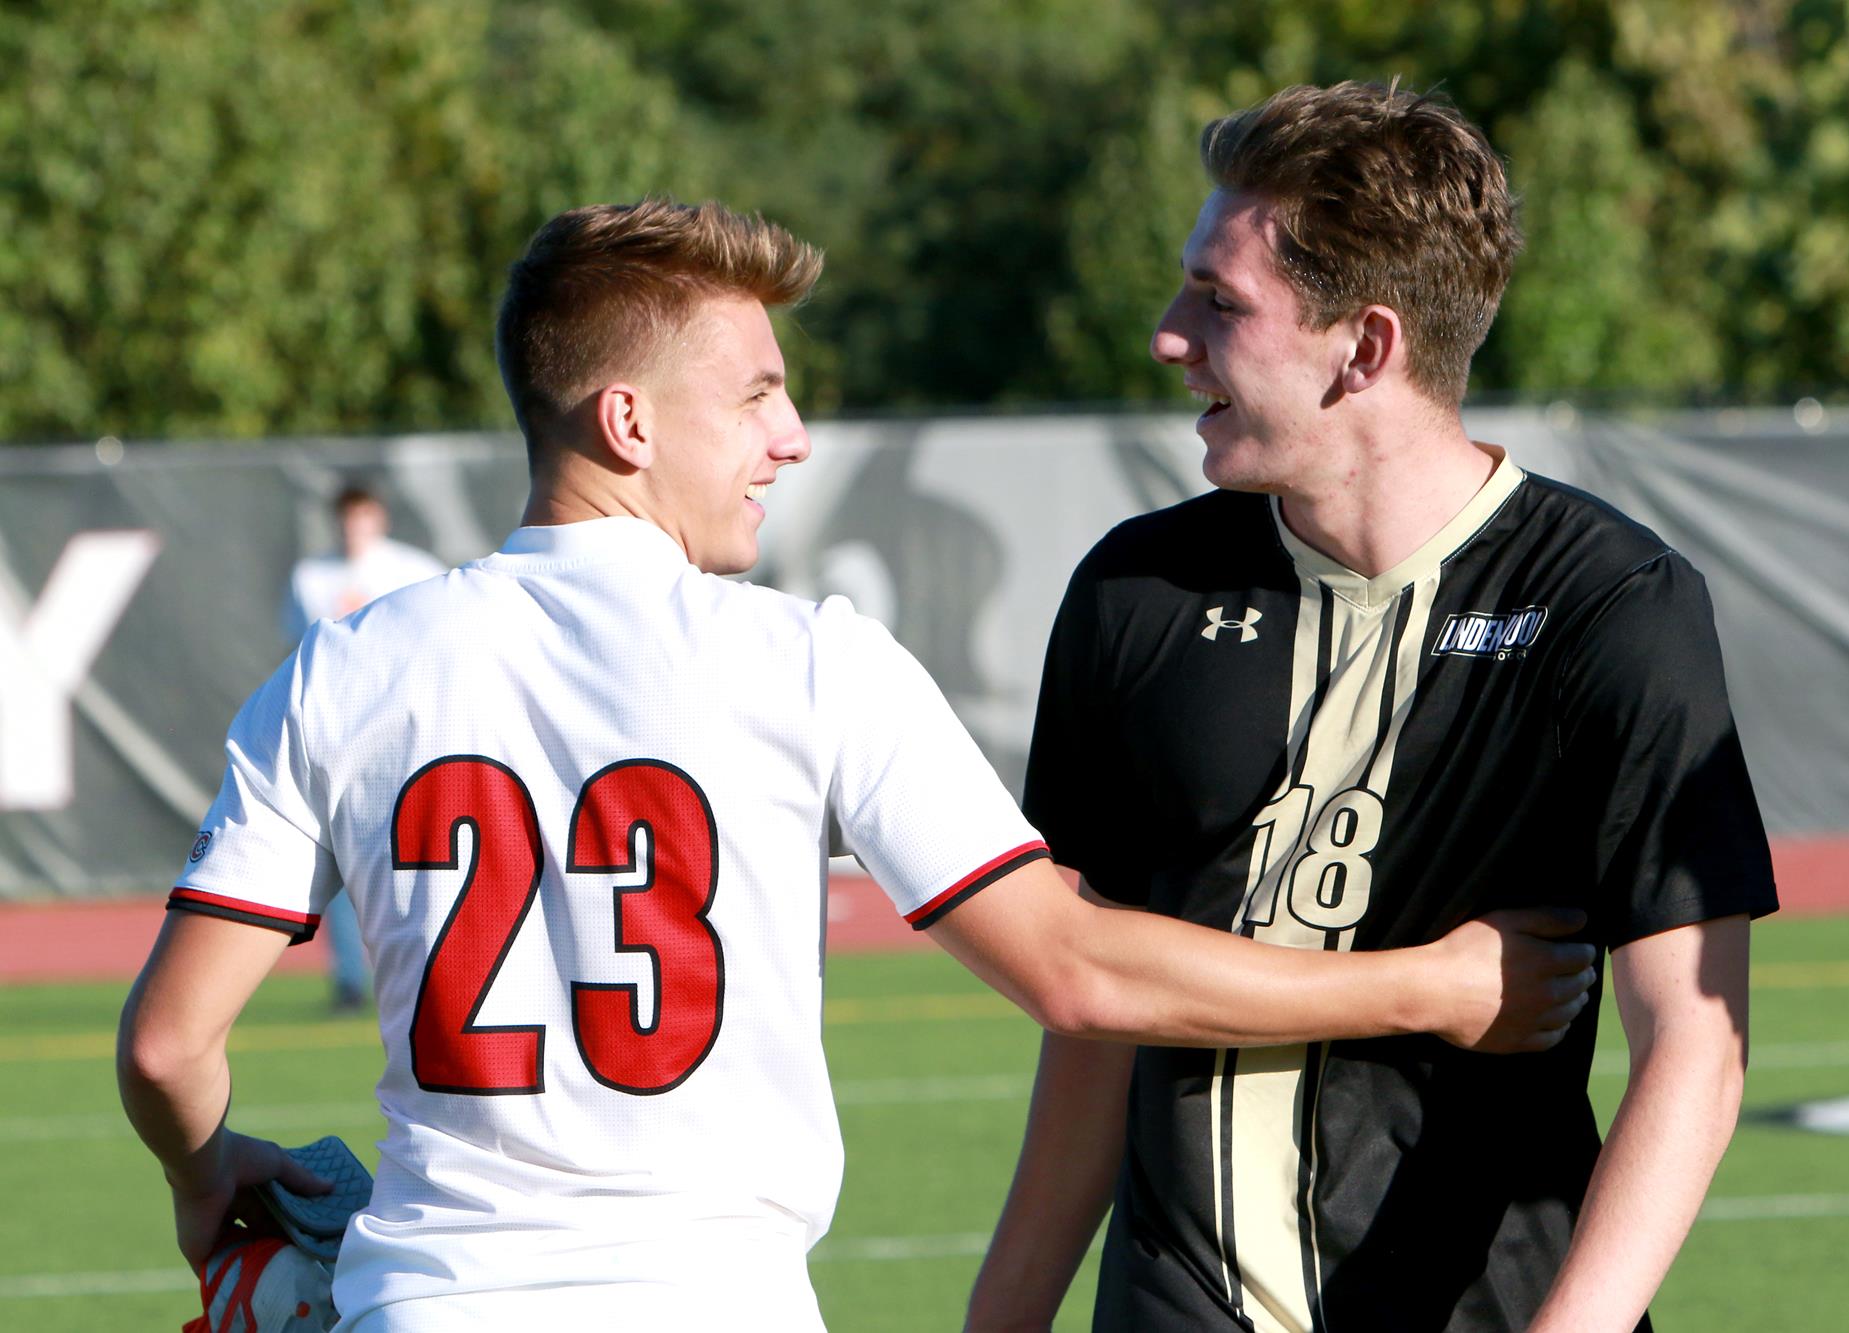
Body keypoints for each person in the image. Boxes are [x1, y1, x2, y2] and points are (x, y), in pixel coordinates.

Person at [116, 197, 1597, 1332]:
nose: (794, 435)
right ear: (628, 421)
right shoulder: (805, 659)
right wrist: (1435, 986)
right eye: (756, 393)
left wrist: (208, 1174)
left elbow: (168, 1048)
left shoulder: (350, 666)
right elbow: (1072, 971)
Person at [968, 83, 1779, 1333]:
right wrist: (1004, 1318)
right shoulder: (1133, 592)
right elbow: (1094, 1010)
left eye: (1219, 302)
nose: (1167, 335)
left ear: (1366, 347)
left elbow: (1694, 1044)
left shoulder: (1612, 601)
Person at [283, 486, 447, 1012]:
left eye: (363, 517)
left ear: (378, 518)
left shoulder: (413, 568)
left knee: (423, 858)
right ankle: (351, 980)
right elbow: (303, 653)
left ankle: (436, 974)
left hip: (406, 735)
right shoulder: (311, 576)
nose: (355, 528)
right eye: (347, 518)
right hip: (342, 738)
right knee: (340, 861)